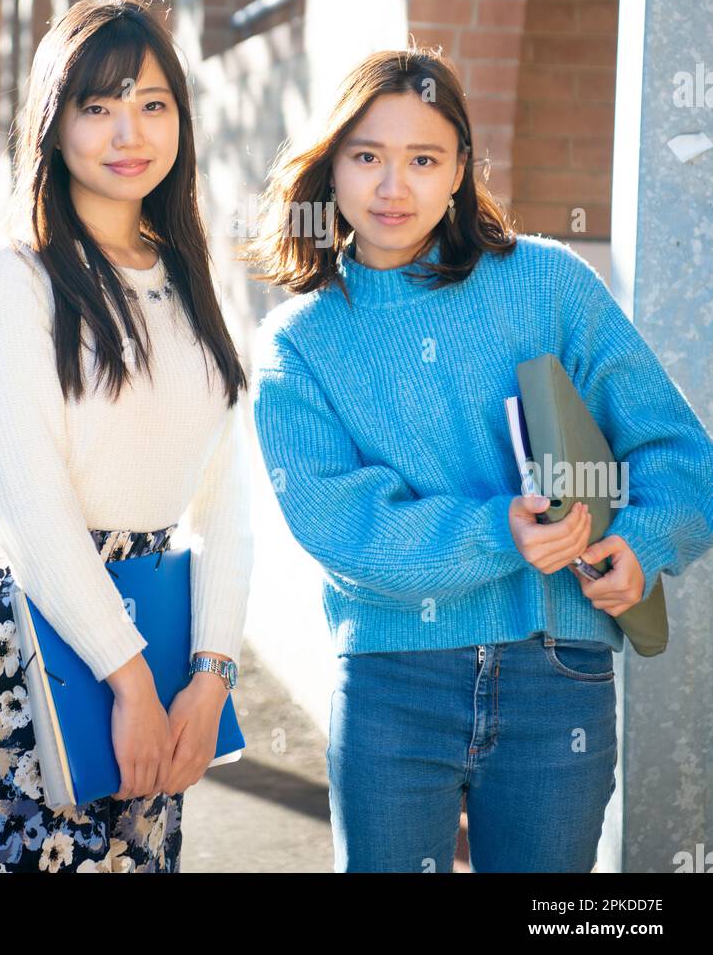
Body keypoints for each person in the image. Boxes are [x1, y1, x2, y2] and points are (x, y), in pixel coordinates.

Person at [245, 44, 713, 874]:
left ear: (460, 169)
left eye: (422, 159)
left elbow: (678, 455)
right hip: (393, 680)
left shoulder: (548, 284)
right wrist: (500, 530)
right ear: (332, 170)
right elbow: (342, 532)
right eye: (367, 158)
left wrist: (639, 545)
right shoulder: (297, 345)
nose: (394, 188)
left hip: (557, 670)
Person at [0, 0, 254, 873]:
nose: (128, 132)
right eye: (97, 106)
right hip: (25, 643)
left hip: (153, 632)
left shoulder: (191, 280)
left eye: (152, 104)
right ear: (54, 123)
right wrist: (132, 679)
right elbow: (29, 504)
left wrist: (210, 674)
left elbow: (229, 498)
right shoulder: (11, 278)